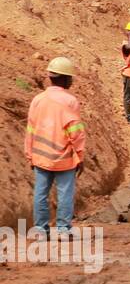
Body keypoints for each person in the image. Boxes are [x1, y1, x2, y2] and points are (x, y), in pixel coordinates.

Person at [26, 57, 86, 237]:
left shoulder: (37, 100)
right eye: (71, 78)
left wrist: (30, 154)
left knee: (40, 193)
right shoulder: (70, 101)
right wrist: (80, 156)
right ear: (65, 79)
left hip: (40, 156)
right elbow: (76, 132)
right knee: (65, 193)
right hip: (63, 157)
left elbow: (30, 129)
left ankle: (40, 230)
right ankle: (62, 229)